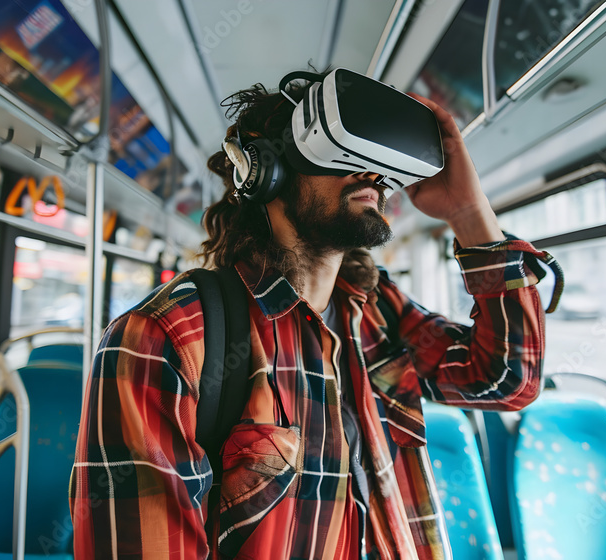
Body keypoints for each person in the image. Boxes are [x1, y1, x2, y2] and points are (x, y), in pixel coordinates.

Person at [70, 72, 556, 560]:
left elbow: (507, 378)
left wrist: (468, 212)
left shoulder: (375, 311)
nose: (372, 174)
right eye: (339, 150)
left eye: (376, 159)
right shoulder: (167, 338)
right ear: (264, 171)